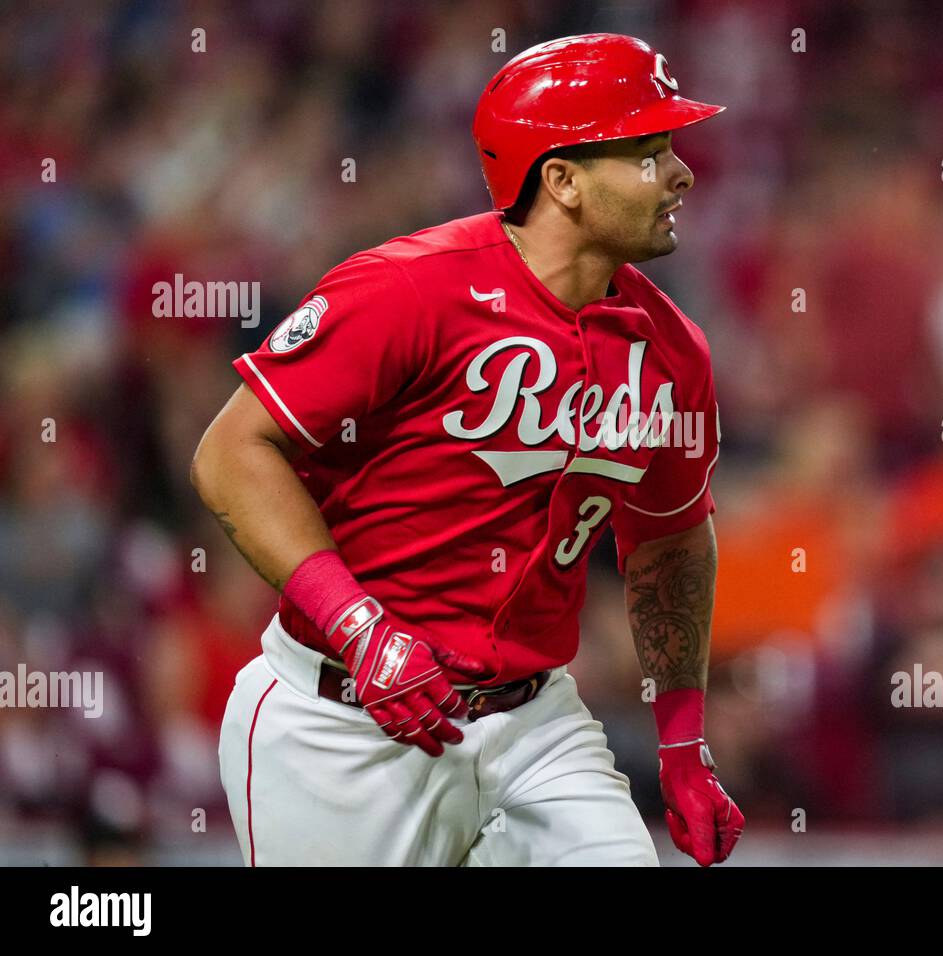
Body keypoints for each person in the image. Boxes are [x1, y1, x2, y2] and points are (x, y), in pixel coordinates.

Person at [189, 33, 744, 866]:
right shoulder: (408, 289)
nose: (680, 174)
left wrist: (681, 737)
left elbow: (667, 542)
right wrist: (360, 628)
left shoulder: (673, 351)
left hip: (535, 724)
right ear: (562, 180)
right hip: (340, 725)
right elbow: (230, 453)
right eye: (648, 150)